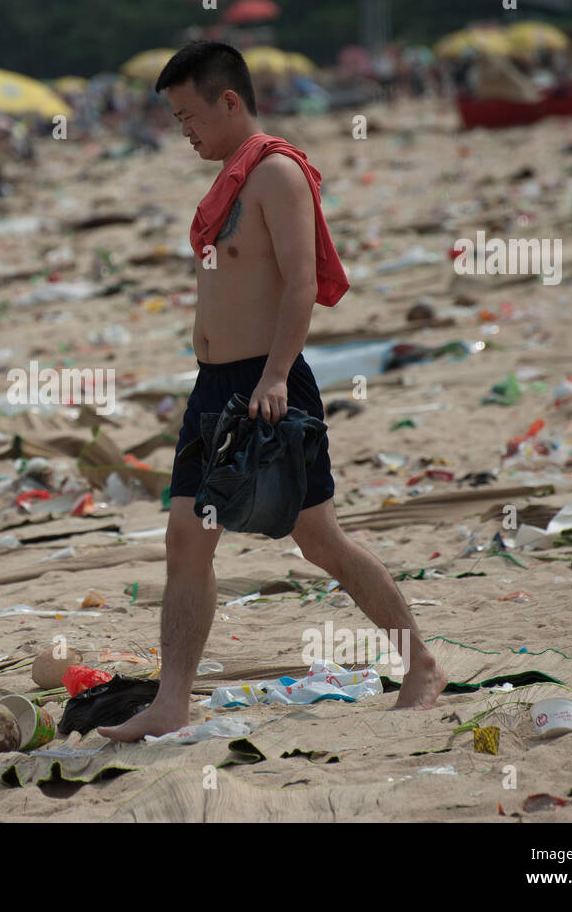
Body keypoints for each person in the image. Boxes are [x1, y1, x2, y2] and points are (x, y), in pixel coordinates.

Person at [97, 41, 446, 742]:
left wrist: (278, 376)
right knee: (186, 543)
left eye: (190, 114)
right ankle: (172, 702)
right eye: (174, 118)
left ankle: (422, 667)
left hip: (267, 385)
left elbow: (300, 282)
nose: (184, 130)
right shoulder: (228, 178)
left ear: (230, 101)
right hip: (214, 390)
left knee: (321, 542)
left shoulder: (276, 173)